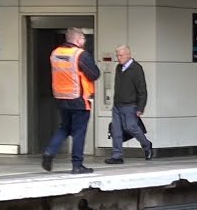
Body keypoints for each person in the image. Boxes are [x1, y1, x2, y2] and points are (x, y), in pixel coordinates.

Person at [41, 28, 101, 174]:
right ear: (78, 40)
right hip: (79, 99)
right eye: (83, 39)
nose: (84, 42)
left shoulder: (55, 53)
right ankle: (77, 165)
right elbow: (94, 74)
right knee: (79, 132)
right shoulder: (79, 55)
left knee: (64, 128)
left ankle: (49, 151)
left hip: (61, 97)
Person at [105, 44, 154, 164]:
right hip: (117, 105)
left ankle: (147, 145)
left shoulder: (136, 69)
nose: (118, 58)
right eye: (117, 55)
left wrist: (141, 107)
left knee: (131, 127)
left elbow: (142, 90)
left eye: (121, 55)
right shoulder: (118, 68)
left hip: (130, 105)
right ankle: (117, 156)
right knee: (116, 131)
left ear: (128, 54)